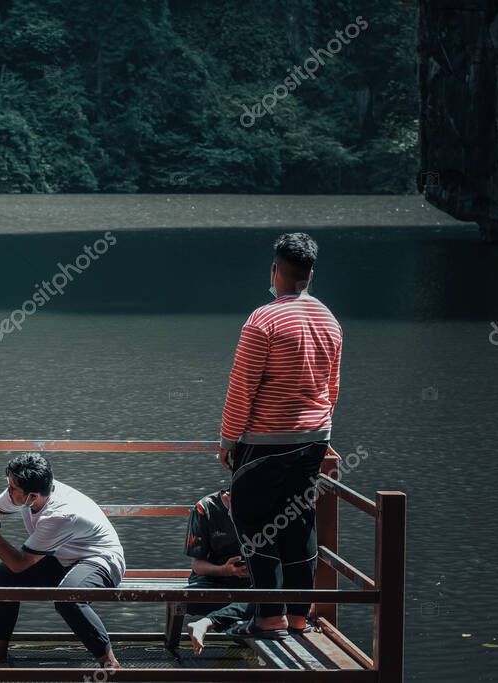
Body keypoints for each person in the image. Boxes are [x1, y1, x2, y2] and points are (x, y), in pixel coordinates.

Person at [217, 232, 342, 638]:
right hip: (313, 438)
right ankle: (299, 616)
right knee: (298, 521)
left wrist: (229, 439)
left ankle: (269, 617)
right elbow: (332, 387)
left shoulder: (263, 320)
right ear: (311, 273)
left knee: (255, 521)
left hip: (267, 440)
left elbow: (242, 386)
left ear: (275, 270)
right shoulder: (330, 320)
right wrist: (318, 432)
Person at [0, 453, 125, 669]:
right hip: (64, 556)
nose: (7, 493)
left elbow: (19, 562)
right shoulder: (29, 491)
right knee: (5, 575)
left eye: (11, 489)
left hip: (100, 560)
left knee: (68, 599)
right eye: (8, 485)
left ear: (32, 497)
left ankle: (110, 665)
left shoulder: (59, 515)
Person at [183, 488, 255, 654]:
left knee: (268, 596)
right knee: (187, 599)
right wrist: (225, 570)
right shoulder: (205, 508)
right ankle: (234, 624)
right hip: (211, 581)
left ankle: (208, 623)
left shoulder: (261, 506)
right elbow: (197, 565)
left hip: (250, 584)